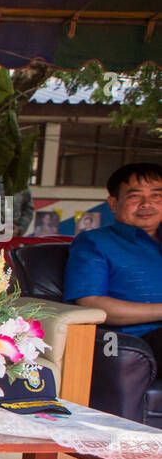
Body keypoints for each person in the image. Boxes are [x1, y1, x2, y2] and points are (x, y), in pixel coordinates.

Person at [64, 162, 162, 424]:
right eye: (135, 196)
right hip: (138, 341)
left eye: (156, 195)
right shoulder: (94, 242)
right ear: (113, 202)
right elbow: (91, 303)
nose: (147, 204)